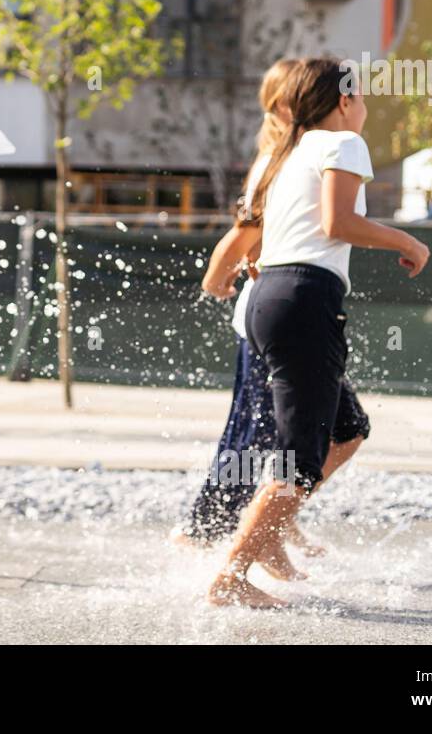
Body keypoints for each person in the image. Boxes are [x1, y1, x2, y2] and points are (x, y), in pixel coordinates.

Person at [207, 57, 430, 608]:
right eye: (361, 97)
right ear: (343, 103)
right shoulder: (342, 143)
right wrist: (407, 241)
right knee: (298, 458)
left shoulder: (287, 157)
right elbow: (338, 225)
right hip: (305, 300)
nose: (366, 108)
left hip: (274, 299)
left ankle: (267, 533)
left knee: (346, 428)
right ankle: (231, 575)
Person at [175, 60, 369, 561]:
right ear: (288, 104)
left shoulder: (297, 154)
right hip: (283, 312)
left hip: (279, 308)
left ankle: (265, 531)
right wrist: (219, 277)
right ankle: (210, 532)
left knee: (317, 432)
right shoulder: (292, 156)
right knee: (258, 434)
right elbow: (248, 231)